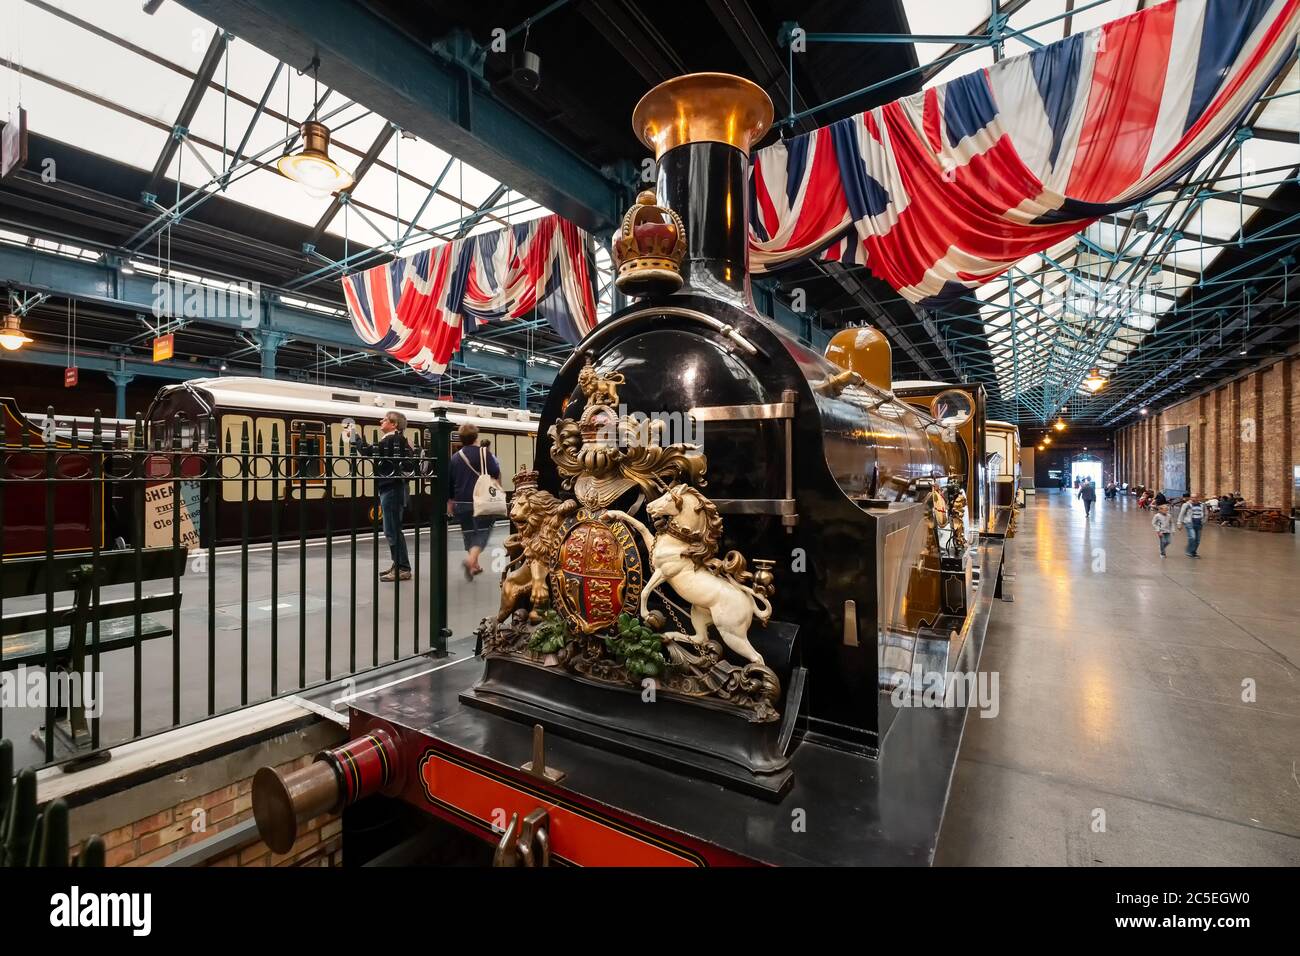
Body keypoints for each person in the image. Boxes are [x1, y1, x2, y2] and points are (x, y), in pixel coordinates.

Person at [350, 411, 414, 582]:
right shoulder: (398, 440)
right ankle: (399, 564)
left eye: (385, 419)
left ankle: (403, 567)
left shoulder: (392, 440)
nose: (381, 421)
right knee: (393, 529)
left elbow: (367, 451)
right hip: (393, 487)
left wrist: (354, 436)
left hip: (391, 488)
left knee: (391, 530)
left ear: (394, 425)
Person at [449, 423, 501, 582]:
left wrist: (450, 501)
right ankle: (471, 561)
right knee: (483, 533)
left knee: (469, 533)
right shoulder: (484, 453)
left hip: (462, 501)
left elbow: (450, 481)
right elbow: (495, 472)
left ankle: (474, 565)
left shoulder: (455, 457)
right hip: (482, 500)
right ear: (476, 437)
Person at [1177, 491, 1206, 557]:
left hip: (1199, 524)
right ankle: (1189, 551)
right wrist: (1179, 523)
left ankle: (1193, 552)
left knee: (1198, 540)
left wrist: (1203, 521)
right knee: (1192, 537)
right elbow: (1181, 514)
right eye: (1192, 497)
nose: (1193, 498)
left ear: (1198, 498)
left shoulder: (1202, 505)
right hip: (1190, 523)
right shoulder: (1186, 505)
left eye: (1195, 497)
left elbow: (1205, 513)